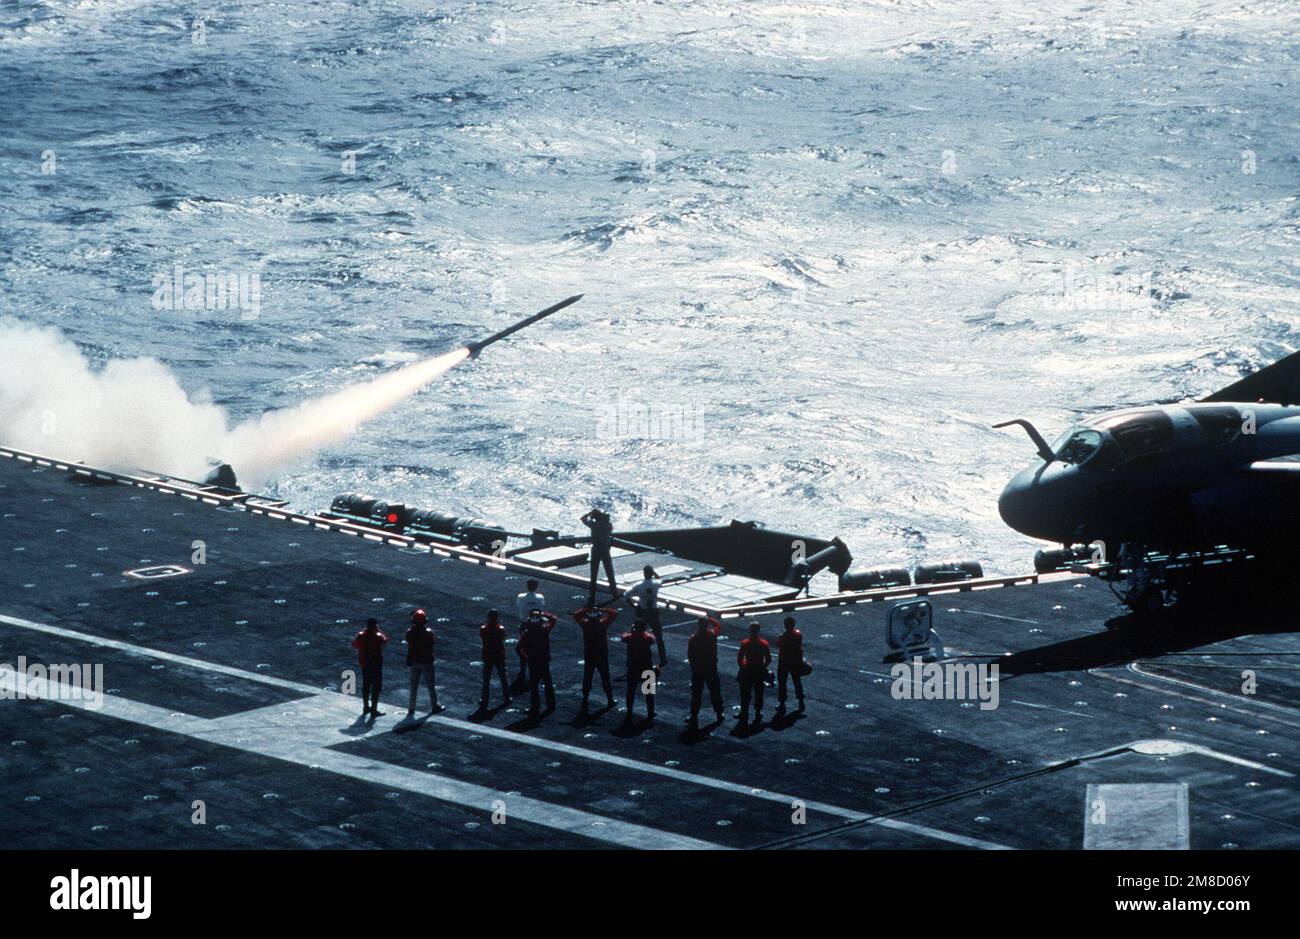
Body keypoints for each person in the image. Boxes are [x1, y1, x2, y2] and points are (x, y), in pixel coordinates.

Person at [573, 604, 618, 712]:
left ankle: (585, 700)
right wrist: (602, 608)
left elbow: (576, 615)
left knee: (587, 677)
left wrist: (587, 609)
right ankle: (610, 699)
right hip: (601, 654)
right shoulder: (603, 624)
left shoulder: (585, 624)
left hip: (589, 654)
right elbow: (614, 613)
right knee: (605, 678)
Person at [519, 608, 558, 717]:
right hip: (544, 660)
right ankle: (551, 705)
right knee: (548, 683)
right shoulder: (544, 630)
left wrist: (527, 658)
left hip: (533, 662)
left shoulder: (527, 634)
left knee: (534, 685)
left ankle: (535, 706)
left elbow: (519, 648)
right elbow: (553, 619)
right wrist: (542, 613)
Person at [624, 565, 665, 668]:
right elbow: (660, 579)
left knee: (638, 634)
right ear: (651, 573)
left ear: (644, 573)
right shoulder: (656, 584)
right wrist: (654, 572)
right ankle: (663, 658)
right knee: (659, 636)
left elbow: (626, 595)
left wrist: (633, 606)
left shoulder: (639, 585)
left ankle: (636, 656)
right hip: (653, 612)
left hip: (642, 612)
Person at [687, 615, 724, 726]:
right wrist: (709, 618)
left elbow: (690, 655)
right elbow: (718, 626)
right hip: (710, 667)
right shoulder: (712, 635)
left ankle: (694, 715)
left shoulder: (693, 638)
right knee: (715, 691)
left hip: (698, 668)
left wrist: (693, 666)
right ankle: (719, 713)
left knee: (696, 693)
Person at [620, 619, 657, 723]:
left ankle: (629, 711)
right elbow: (653, 638)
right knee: (649, 691)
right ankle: (650, 711)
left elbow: (623, 637)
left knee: (631, 691)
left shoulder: (629, 637)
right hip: (647, 666)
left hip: (633, 667)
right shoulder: (648, 638)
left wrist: (631, 630)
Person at [405, 608, 439, 718]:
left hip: (414, 661)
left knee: (413, 686)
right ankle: (434, 706)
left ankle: (411, 708)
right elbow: (432, 644)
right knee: (430, 685)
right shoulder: (428, 633)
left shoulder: (410, 632)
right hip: (426, 661)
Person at [351, 618, 388, 718]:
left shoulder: (361, 635)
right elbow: (385, 640)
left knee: (366, 685)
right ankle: (373, 709)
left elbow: (354, 645)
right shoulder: (378, 636)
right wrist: (379, 631)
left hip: (365, 664)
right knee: (376, 687)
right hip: (375, 664)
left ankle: (365, 707)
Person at [736, 621, 771, 725]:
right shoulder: (763, 643)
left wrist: (742, 666)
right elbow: (768, 659)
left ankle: (744, 712)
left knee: (745, 693)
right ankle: (758, 712)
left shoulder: (745, 643)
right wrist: (763, 666)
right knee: (759, 692)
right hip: (759, 670)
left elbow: (740, 658)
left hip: (747, 670)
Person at [581, 507, 618, 605]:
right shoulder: (608, 526)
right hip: (605, 550)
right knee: (609, 571)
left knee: (594, 573)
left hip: (596, 550)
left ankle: (592, 595)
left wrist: (589, 514)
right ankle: (614, 592)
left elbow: (583, 519)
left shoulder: (594, 525)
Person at [513, 579, 546, 687]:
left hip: (524, 624)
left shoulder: (520, 596)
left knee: (523, 647)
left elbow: (519, 606)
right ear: (536, 587)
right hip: (537, 626)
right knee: (537, 648)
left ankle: (522, 670)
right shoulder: (540, 597)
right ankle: (537, 670)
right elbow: (541, 608)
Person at [479, 608, 511, 710]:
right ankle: (507, 697)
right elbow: (503, 637)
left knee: (486, 679)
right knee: (503, 677)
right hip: (498, 655)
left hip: (487, 654)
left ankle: (484, 699)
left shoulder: (484, 629)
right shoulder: (500, 629)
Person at [776, 616, 806, 713]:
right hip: (795, 661)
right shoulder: (798, 635)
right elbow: (800, 649)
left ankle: (782, 703)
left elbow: (778, 645)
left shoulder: (782, 637)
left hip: (784, 661)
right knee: (797, 681)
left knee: (782, 682)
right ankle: (801, 701)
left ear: (785, 625)